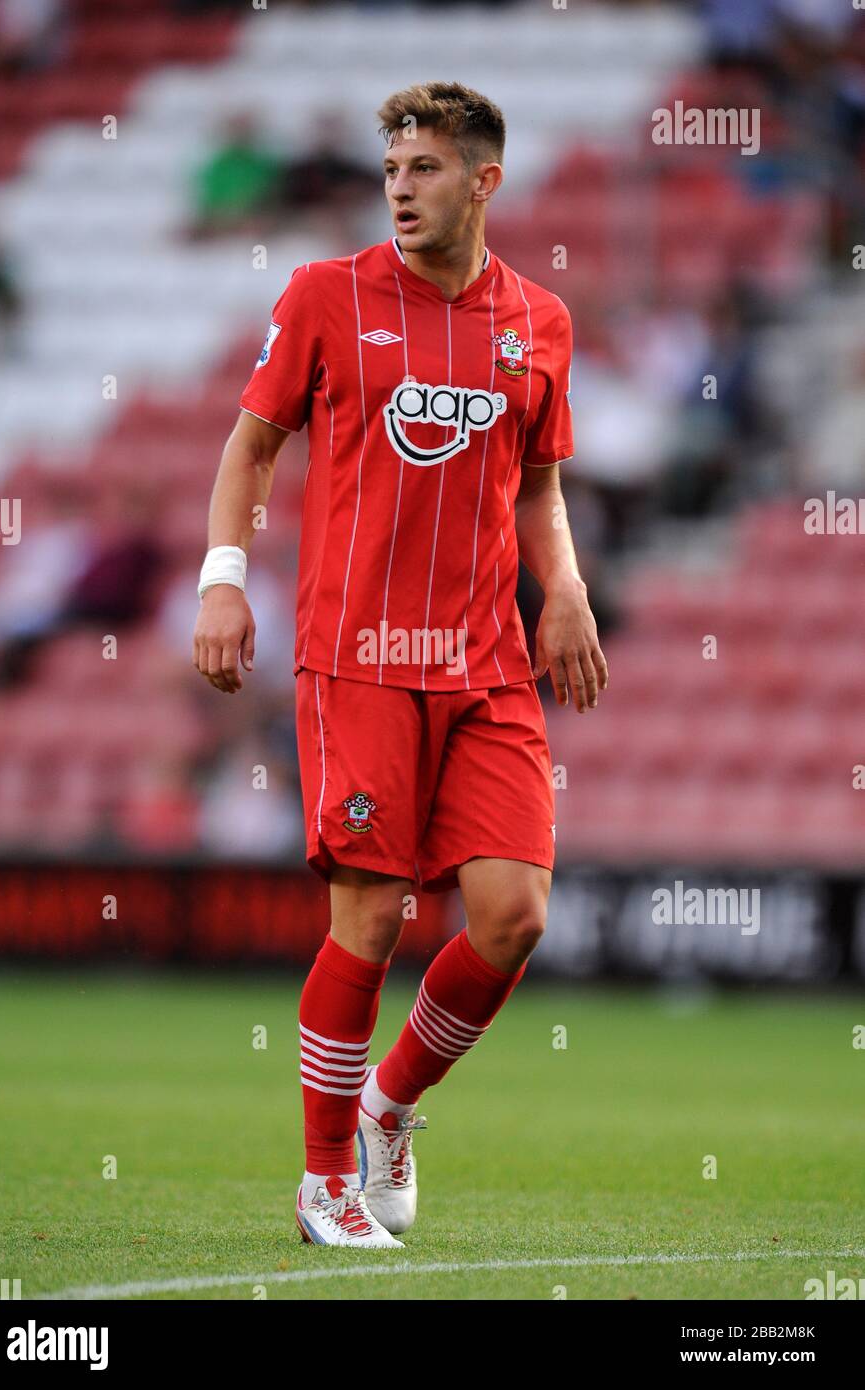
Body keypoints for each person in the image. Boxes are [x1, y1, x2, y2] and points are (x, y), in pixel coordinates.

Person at [193, 81, 608, 1249]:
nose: (399, 188)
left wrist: (563, 584)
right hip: (359, 659)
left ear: (484, 181)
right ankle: (324, 1179)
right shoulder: (327, 297)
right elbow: (252, 444)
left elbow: (537, 482)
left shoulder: (538, 321)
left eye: (425, 169)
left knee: (513, 914)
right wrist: (223, 575)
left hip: (483, 667)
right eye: (391, 169)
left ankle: (388, 1103)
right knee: (371, 915)